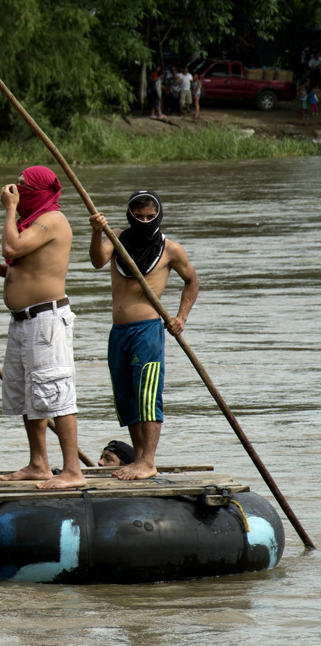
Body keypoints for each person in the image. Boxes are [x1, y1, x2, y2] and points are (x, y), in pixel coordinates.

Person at [0, 166, 82, 488]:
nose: (17, 192)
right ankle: (39, 463)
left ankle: (73, 471)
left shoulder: (51, 219)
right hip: (24, 320)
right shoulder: (30, 222)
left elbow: (12, 248)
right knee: (28, 394)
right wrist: (1, 272)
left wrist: (9, 209)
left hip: (46, 320)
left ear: (39, 191)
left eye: (24, 187)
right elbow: (23, 263)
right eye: (16, 187)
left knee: (56, 393)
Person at [88, 190, 199, 481]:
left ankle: (148, 461)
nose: (145, 221)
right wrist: (97, 232)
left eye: (151, 216)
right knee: (126, 399)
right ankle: (138, 459)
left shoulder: (170, 249)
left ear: (159, 215)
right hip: (119, 332)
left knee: (147, 396)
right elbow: (98, 261)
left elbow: (191, 281)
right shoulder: (116, 237)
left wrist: (181, 318)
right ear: (130, 215)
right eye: (139, 216)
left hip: (147, 331)